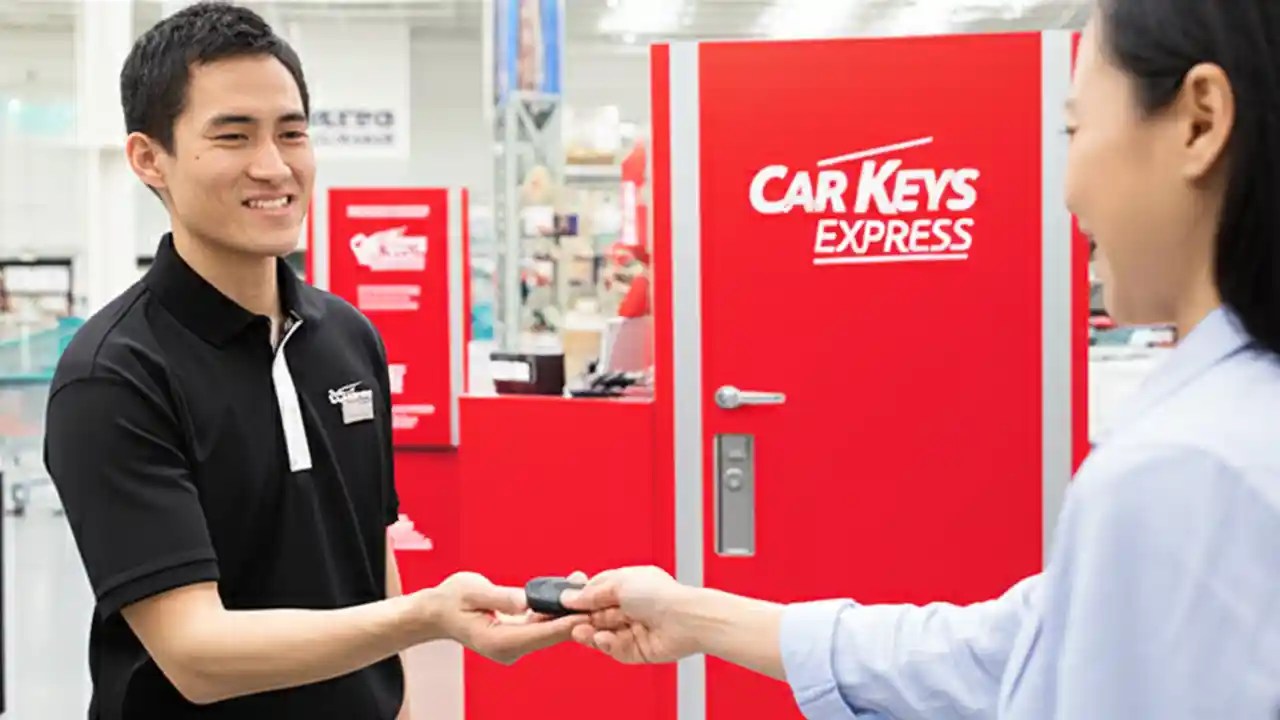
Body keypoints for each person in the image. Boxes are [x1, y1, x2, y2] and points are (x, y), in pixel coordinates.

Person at [563, 2, 1280, 718]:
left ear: (1199, 121)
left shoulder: (1190, 468)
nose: (1066, 191)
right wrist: (700, 617)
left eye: (1075, 129)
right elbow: (1007, 651)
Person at [42, 4, 585, 719]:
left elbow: (369, 552)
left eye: (292, 132)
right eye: (233, 136)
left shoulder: (347, 337)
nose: (274, 165)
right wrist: (428, 618)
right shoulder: (114, 377)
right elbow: (197, 656)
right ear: (149, 159)